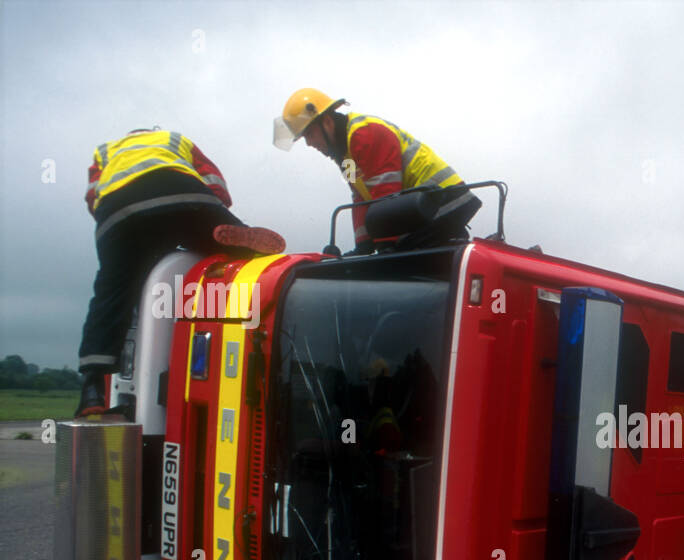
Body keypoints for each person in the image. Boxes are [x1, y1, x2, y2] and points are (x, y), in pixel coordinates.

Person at [77, 128, 285, 417]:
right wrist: (215, 207)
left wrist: (130, 247)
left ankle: (91, 391)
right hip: (182, 193)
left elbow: (92, 197)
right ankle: (226, 243)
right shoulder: (174, 139)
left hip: (119, 212)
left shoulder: (105, 150)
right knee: (212, 237)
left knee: (111, 293)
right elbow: (214, 181)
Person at [273, 89, 479, 253]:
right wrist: (363, 244)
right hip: (418, 209)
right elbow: (361, 198)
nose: (309, 143)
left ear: (327, 122)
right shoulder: (344, 156)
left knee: (405, 259)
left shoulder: (364, 133)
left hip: (444, 200)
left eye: (309, 133)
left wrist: (385, 242)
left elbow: (386, 192)